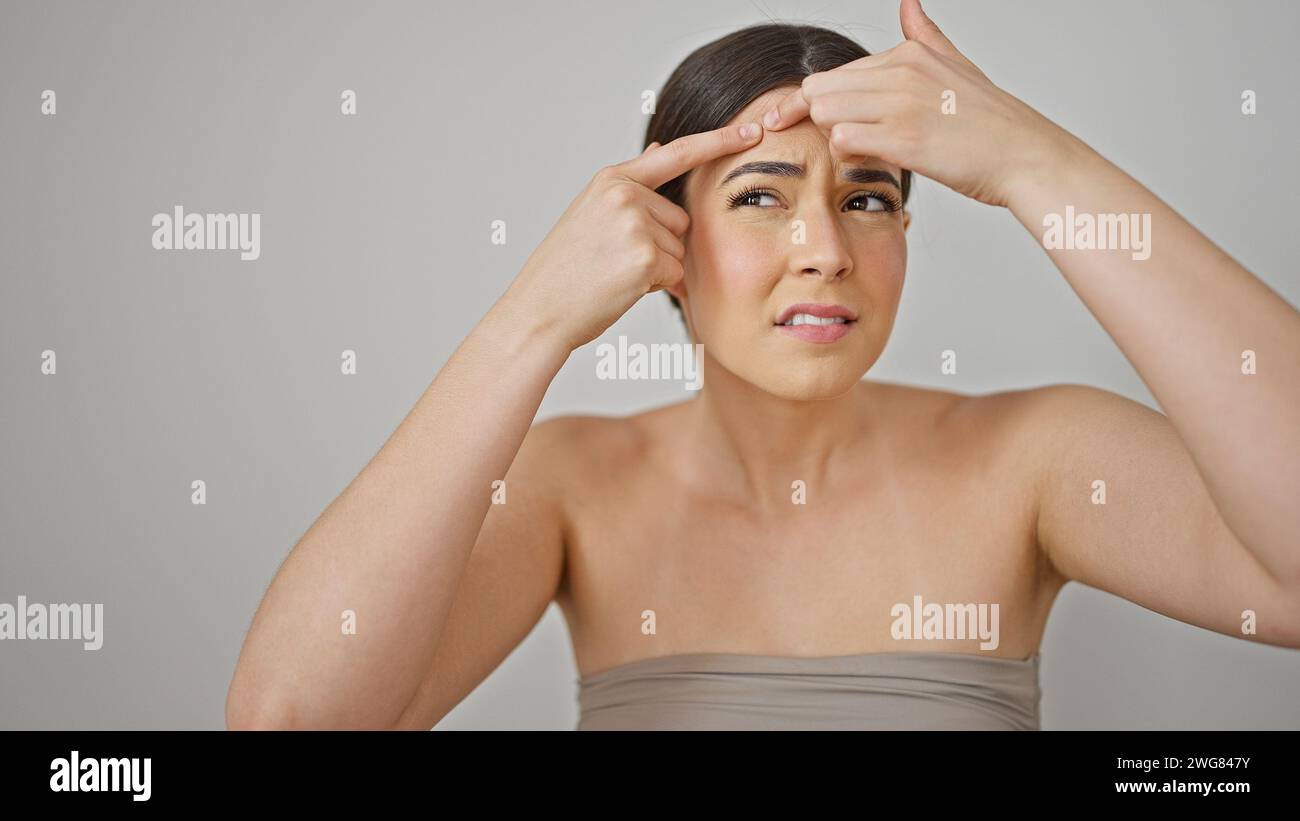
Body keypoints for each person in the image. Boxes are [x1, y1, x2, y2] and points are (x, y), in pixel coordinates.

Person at [226, 0, 1300, 730]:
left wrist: (1035, 162)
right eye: (758, 196)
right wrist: (529, 322)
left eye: (867, 198)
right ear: (664, 246)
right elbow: (290, 723)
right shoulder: (571, 486)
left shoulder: (1037, 459)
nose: (825, 247)